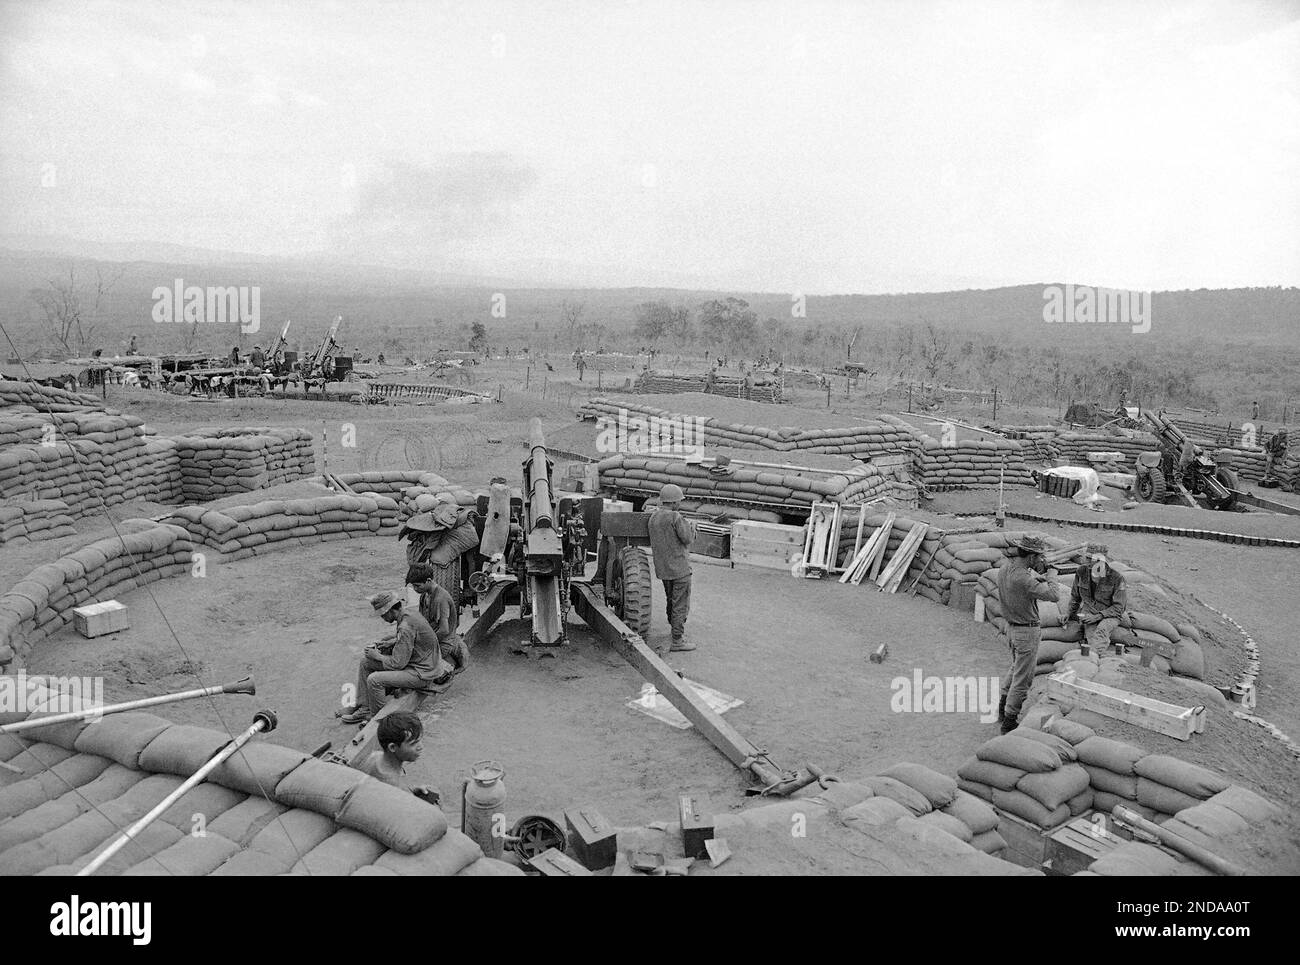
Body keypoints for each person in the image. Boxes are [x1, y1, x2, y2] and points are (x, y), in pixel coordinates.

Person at [341, 591, 449, 724]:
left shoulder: (405, 627)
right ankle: (365, 707)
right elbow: (411, 638)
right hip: (423, 662)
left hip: (422, 673)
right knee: (365, 662)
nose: (383, 618)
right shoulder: (409, 614)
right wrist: (391, 642)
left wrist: (378, 656)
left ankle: (379, 721)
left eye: (383, 615)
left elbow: (398, 664)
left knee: (374, 680)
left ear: (390, 610)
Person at [995, 534, 1059, 733]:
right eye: (1039, 557)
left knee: (1016, 669)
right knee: (1024, 679)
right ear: (1031, 557)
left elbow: (1025, 583)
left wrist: (1038, 576)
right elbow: (1054, 595)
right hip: (1026, 631)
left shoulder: (1006, 569)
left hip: (1012, 628)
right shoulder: (1024, 579)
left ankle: (1002, 707)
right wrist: (1052, 575)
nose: (1041, 560)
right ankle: (1009, 720)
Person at [647, 483, 697, 652]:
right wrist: (692, 528)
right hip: (680, 570)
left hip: (664, 570)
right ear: (674, 502)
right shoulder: (676, 517)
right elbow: (687, 539)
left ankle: (674, 631)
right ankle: (677, 640)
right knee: (680, 604)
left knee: (671, 601)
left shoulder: (653, 517)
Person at [357, 711, 440, 804]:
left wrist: (411, 790)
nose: (421, 747)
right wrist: (409, 794)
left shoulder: (374, 756)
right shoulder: (397, 789)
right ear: (392, 747)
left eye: (419, 741)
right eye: (413, 743)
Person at [407, 563, 470, 676]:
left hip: (443, 643)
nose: (415, 589)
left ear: (428, 580)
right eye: (414, 586)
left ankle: (446, 668)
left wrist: (423, 642)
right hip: (432, 638)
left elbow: (444, 630)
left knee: (411, 661)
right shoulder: (424, 596)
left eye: (417, 586)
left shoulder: (440, 599)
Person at [1066, 543, 1126, 656]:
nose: (1086, 561)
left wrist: (1098, 616)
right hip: (1089, 612)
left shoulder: (1116, 578)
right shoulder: (1081, 572)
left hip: (1110, 614)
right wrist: (1069, 613)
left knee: (1102, 630)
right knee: (1091, 634)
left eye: (1091, 559)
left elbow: (1119, 607)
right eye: (1087, 557)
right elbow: (1075, 597)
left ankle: (1096, 660)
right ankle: (1093, 658)